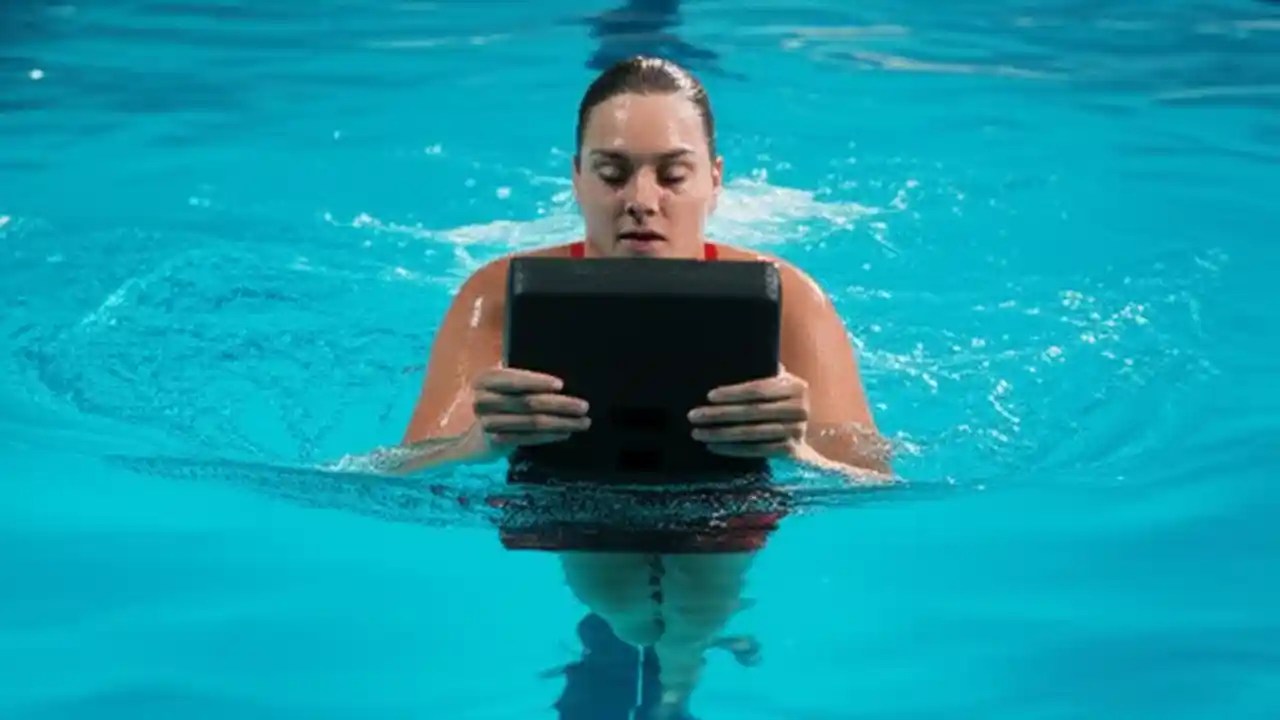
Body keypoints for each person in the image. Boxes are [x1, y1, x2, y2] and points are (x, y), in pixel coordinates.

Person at [393, 56, 890, 718]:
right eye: (613, 172)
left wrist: (801, 448)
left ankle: (683, 675)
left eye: (673, 174)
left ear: (714, 182)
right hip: (576, 497)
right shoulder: (497, 296)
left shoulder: (789, 299)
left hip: (722, 498)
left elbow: (875, 480)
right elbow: (399, 472)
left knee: (688, 625)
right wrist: (480, 441)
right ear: (576, 179)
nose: (642, 201)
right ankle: (674, 649)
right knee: (629, 614)